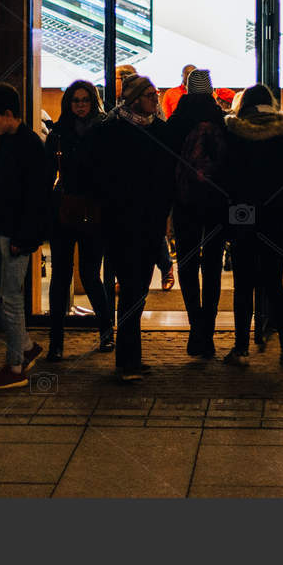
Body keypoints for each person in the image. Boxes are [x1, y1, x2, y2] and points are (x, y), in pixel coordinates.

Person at [84, 74, 171, 382]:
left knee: (138, 290)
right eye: (149, 94)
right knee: (132, 289)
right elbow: (96, 174)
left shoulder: (160, 130)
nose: (155, 99)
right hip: (120, 222)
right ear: (133, 99)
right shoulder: (109, 131)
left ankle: (130, 358)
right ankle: (127, 360)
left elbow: (167, 177)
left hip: (148, 222)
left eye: (156, 93)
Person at [0, 83, 50, 389]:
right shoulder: (10, 141)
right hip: (0, 229)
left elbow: (36, 198)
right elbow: (9, 188)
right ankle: (24, 345)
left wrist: (25, 236)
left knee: (12, 298)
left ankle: (15, 367)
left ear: (8, 114)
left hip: (14, 233)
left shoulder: (28, 145)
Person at [219, 83, 283, 368]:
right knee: (274, 285)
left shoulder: (235, 133)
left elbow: (225, 174)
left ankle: (241, 348)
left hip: (244, 214)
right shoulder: (282, 133)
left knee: (243, 285)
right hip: (276, 215)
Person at [44, 80, 111, 360]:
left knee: (90, 274)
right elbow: (47, 174)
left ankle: (107, 332)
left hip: (93, 210)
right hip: (64, 209)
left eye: (85, 100)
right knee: (60, 275)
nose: (81, 105)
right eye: (76, 100)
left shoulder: (105, 131)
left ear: (93, 101)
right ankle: (56, 342)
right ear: (68, 104)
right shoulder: (58, 134)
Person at [168, 68, 229, 358]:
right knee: (213, 266)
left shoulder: (176, 121)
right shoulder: (221, 121)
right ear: (211, 90)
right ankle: (209, 329)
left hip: (184, 203)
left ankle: (196, 328)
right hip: (216, 204)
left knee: (188, 264)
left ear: (187, 90)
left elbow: (166, 163)